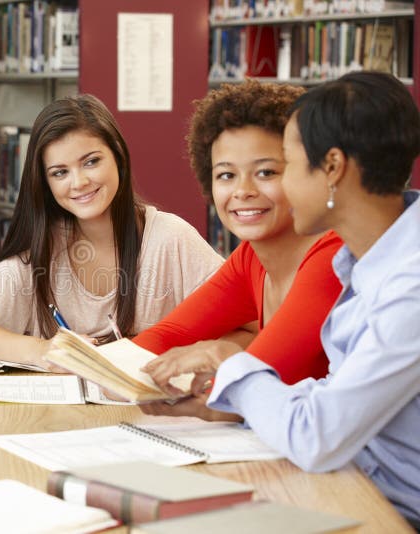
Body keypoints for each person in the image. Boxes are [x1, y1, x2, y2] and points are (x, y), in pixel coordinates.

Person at [145, 71, 420, 528]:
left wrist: (230, 362)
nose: (268, 188)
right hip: (351, 482)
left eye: (282, 167)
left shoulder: (408, 286)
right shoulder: (367, 262)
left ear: (332, 168)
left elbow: (318, 434)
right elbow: (334, 397)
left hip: (390, 512)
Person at [0, 94, 223, 369]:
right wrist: (43, 350)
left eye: (91, 162)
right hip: (59, 411)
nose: (79, 182)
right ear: (45, 183)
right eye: (60, 173)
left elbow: (245, 326)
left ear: (117, 157)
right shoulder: (39, 250)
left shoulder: (171, 239)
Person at [133, 81, 343, 419]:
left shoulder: (332, 256)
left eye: (265, 172)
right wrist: (102, 367)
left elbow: (251, 381)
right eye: (226, 175)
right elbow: (172, 333)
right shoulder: (250, 258)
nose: (243, 191)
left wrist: (202, 394)